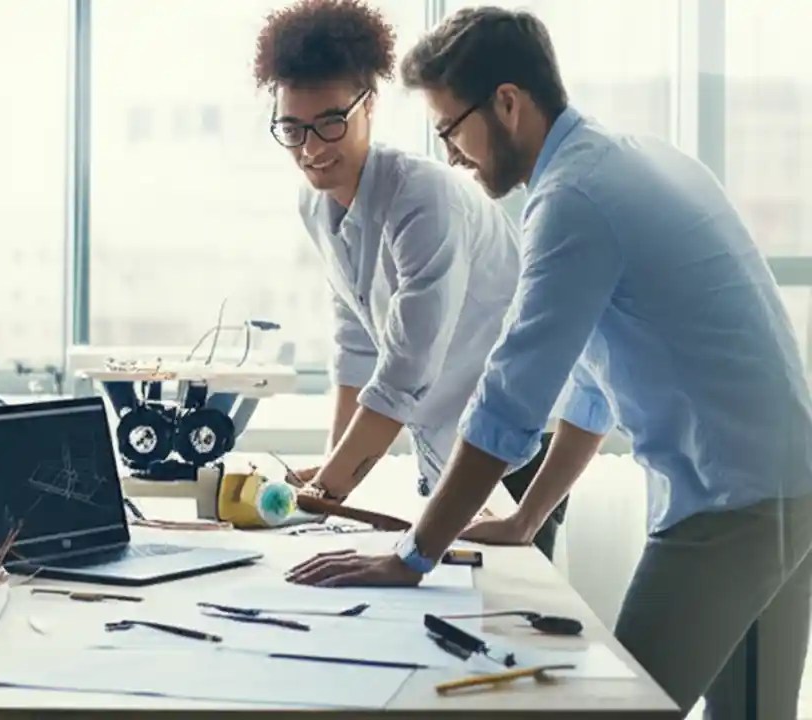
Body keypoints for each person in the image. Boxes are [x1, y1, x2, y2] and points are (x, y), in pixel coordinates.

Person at [287, 7, 812, 718]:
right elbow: (590, 389)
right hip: (788, 485)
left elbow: (509, 405)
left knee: (619, 708)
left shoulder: (572, 201)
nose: (452, 155)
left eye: (451, 128)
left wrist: (412, 556)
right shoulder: (627, 160)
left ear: (507, 103)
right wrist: (526, 517)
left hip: (731, 503)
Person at [252, 0, 568, 558]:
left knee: (508, 599)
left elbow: (405, 368)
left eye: (330, 122)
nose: (311, 148)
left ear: (369, 105)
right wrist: (332, 476)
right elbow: (357, 346)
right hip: (449, 446)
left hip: (514, 446)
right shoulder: (316, 204)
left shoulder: (423, 197)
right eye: (292, 128)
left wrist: (330, 489)